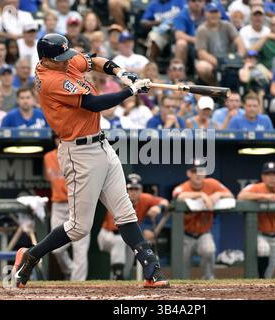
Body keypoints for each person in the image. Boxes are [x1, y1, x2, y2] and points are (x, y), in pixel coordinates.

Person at [12, 33, 169, 289]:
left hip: (101, 144)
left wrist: (121, 72)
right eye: (60, 58)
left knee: (125, 211)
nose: (67, 61)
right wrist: (130, 90)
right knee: (78, 228)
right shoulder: (50, 79)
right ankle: (31, 255)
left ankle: (151, 269)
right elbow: (93, 103)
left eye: (66, 55)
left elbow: (95, 60)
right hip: (79, 153)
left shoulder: (63, 60)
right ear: (46, 59)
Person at [98, 173, 169, 280]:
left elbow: (165, 202)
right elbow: (119, 230)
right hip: (107, 236)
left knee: (130, 257)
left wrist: (158, 207)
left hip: (127, 237)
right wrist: (142, 232)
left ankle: (120, 279)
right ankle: (117, 276)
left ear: (141, 190)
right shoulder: (119, 200)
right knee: (120, 241)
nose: (133, 192)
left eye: (136, 189)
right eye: (131, 189)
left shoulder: (145, 199)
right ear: (126, 189)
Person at [172, 159, 234, 279]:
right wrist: (201, 195)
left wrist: (218, 194)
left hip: (203, 233)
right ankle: (181, 285)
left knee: (209, 250)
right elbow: (178, 196)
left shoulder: (212, 183)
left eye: (201, 171)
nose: (198, 174)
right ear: (188, 174)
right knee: (182, 267)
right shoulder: (184, 187)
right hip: (185, 234)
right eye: (194, 171)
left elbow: (230, 195)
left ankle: (209, 278)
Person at [44, 134, 90, 281]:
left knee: (80, 249)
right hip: (58, 204)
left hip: (78, 203)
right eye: (58, 138)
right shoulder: (48, 157)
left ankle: (78, 283)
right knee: (56, 249)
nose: (60, 140)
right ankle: (70, 271)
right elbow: (48, 178)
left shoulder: (80, 155)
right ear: (54, 140)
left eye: (63, 138)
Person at [195, 2, 245, 86]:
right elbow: (201, 53)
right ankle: (215, 87)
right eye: (211, 12)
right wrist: (219, 63)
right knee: (202, 67)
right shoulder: (202, 30)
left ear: (220, 13)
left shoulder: (227, 25)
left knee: (247, 66)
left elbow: (240, 42)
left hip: (230, 59)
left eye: (216, 12)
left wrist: (239, 58)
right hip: (213, 62)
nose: (214, 15)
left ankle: (240, 90)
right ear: (206, 13)